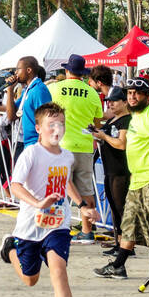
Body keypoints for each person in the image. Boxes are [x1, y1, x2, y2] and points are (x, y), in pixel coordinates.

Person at [0, 102, 82, 297]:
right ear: (39, 128)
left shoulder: (67, 156)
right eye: (51, 124)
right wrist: (37, 203)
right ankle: (9, 249)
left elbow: (66, 181)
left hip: (57, 225)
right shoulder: (31, 154)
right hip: (29, 225)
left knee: (59, 271)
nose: (57, 129)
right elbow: (15, 186)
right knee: (30, 278)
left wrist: (82, 205)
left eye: (61, 124)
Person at [106, 77, 149, 276]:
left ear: (147, 96)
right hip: (137, 179)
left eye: (137, 93)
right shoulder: (135, 115)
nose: (132, 97)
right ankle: (118, 266)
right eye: (129, 93)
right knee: (129, 222)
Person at [49, 54, 102, 243]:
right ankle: (87, 231)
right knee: (86, 190)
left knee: (57, 189)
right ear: (82, 73)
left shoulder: (55, 88)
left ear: (67, 71)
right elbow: (97, 123)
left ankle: (55, 228)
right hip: (85, 146)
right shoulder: (92, 93)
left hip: (61, 145)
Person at [91, 87, 134, 278]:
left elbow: (121, 144)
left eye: (114, 101)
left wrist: (104, 136)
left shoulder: (126, 120)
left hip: (121, 170)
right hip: (109, 169)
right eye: (108, 101)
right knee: (115, 209)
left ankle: (126, 246)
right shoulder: (112, 120)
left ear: (124, 102)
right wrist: (97, 133)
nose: (110, 104)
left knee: (121, 208)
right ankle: (119, 244)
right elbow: (109, 139)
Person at [6, 56, 51, 162]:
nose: (15, 73)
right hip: (28, 144)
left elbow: (47, 118)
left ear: (29, 70)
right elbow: (11, 116)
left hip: (37, 145)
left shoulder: (39, 90)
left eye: (18, 69)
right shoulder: (28, 90)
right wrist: (10, 90)